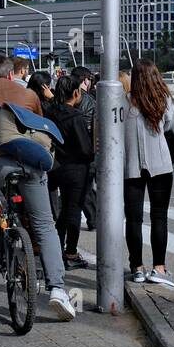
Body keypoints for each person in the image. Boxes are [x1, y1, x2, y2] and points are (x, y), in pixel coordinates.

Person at [0, 55, 76, 321]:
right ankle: (58, 289)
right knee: (44, 223)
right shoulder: (30, 95)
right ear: (11, 75)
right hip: (29, 163)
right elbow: (39, 128)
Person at [123, 59, 174, 287]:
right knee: (159, 217)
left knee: (134, 219)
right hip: (161, 166)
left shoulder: (124, 102)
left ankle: (136, 268)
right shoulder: (163, 99)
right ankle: (159, 268)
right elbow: (169, 126)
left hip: (131, 168)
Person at [46, 74, 94, 270]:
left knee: (64, 211)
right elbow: (85, 149)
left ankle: (58, 248)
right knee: (73, 211)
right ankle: (71, 252)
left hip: (55, 167)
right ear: (76, 93)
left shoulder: (50, 112)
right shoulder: (76, 117)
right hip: (76, 169)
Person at [70, 66, 99, 230]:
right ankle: (94, 219)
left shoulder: (72, 95)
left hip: (76, 149)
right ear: (85, 80)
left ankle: (94, 218)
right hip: (86, 149)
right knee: (85, 188)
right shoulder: (85, 99)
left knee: (85, 187)